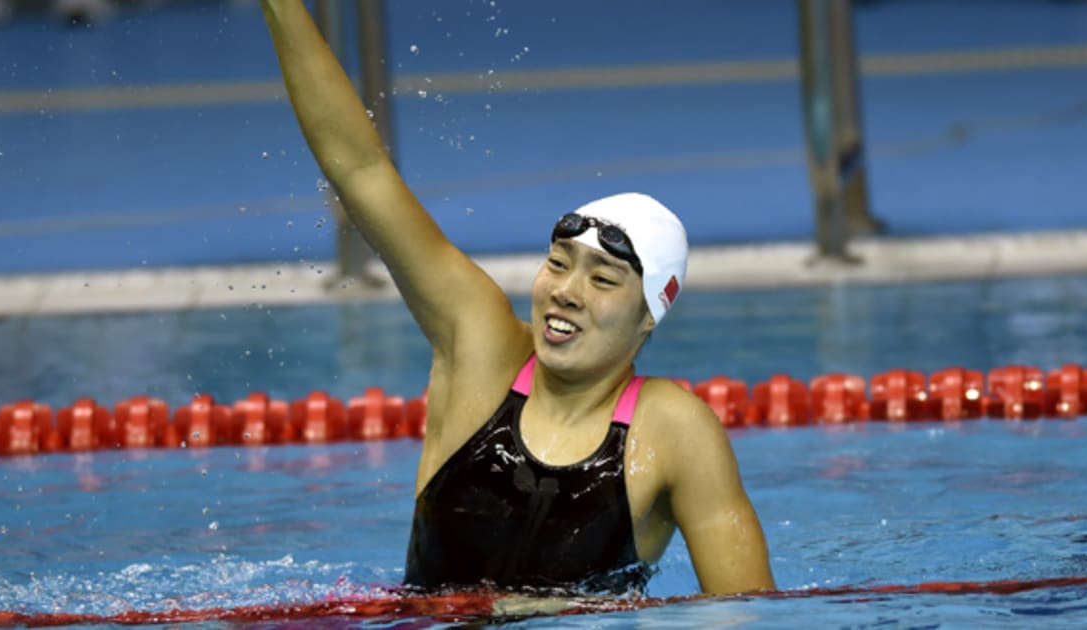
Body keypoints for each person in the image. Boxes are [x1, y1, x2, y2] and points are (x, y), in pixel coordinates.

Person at [260, 1, 774, 596]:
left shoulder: (674, 431)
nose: (566, 292)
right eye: (558, 264)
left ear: (648, 318)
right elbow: (359, 170)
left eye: (603, 280)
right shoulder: (481, 349)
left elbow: (746, 611)